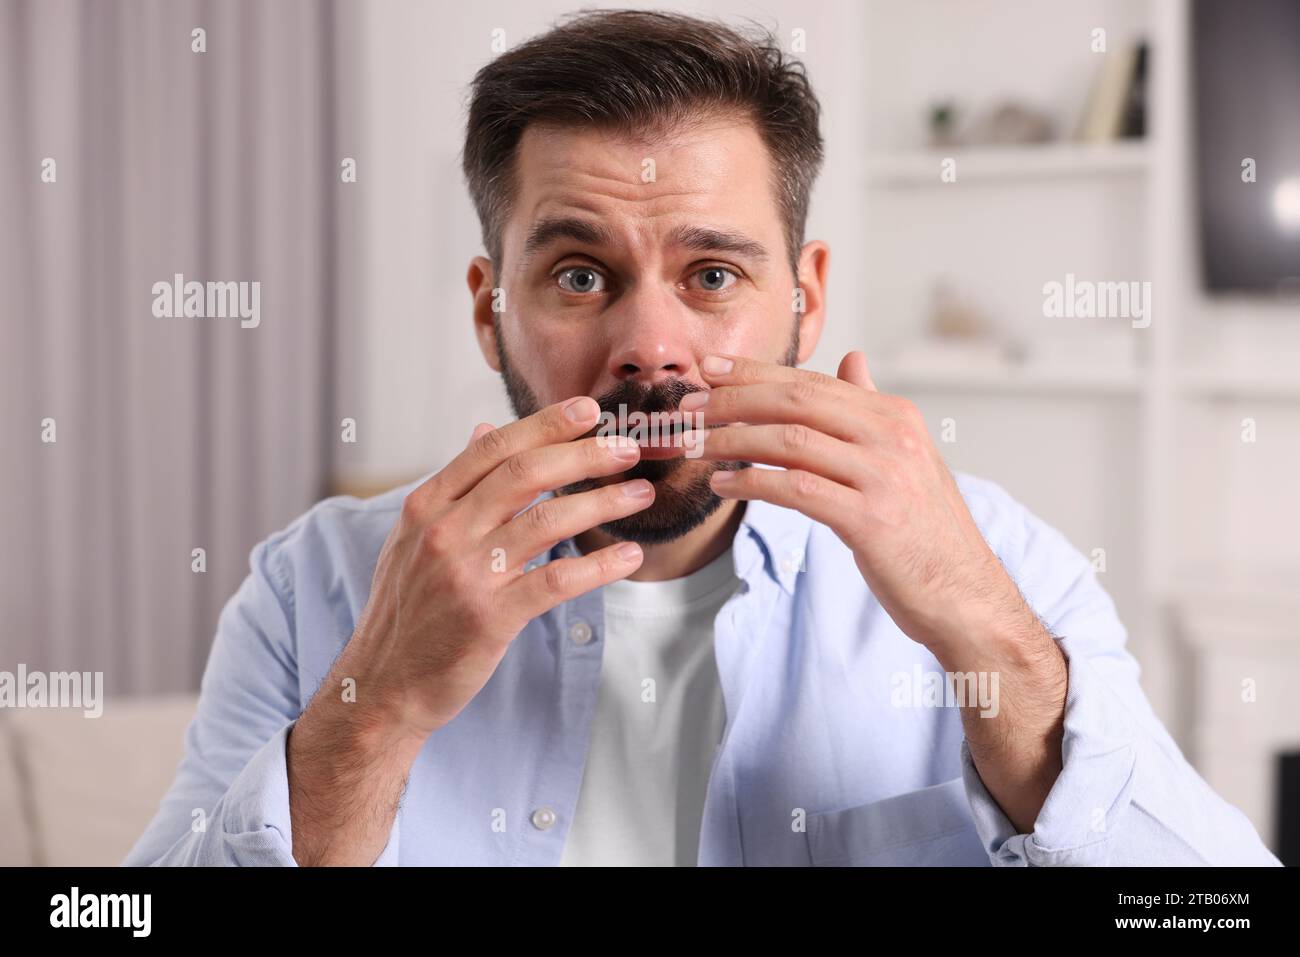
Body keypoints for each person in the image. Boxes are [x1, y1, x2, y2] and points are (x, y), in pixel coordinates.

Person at [124, 9, 1279, 867]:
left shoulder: (999, 565)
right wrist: (370, 712)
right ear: (489, 309)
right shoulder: (311, 588)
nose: (649, 345)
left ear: (806, 301)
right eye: (580, 274)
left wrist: (986, 635)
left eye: (712, 273)